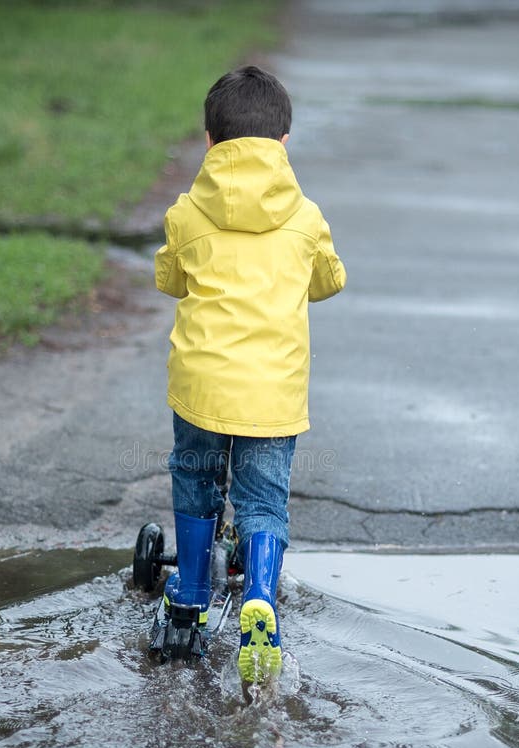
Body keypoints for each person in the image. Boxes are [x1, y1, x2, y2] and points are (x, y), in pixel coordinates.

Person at [155, 65, 346, 682]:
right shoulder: (305, 217)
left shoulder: (188, 213)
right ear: (284, 145)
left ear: (209, 142)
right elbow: (329, 280)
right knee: (263, 500)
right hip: (273, 394)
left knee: (196, 478)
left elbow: (169, 279)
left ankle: (187, 596)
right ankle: (259, 598)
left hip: (203, 388)